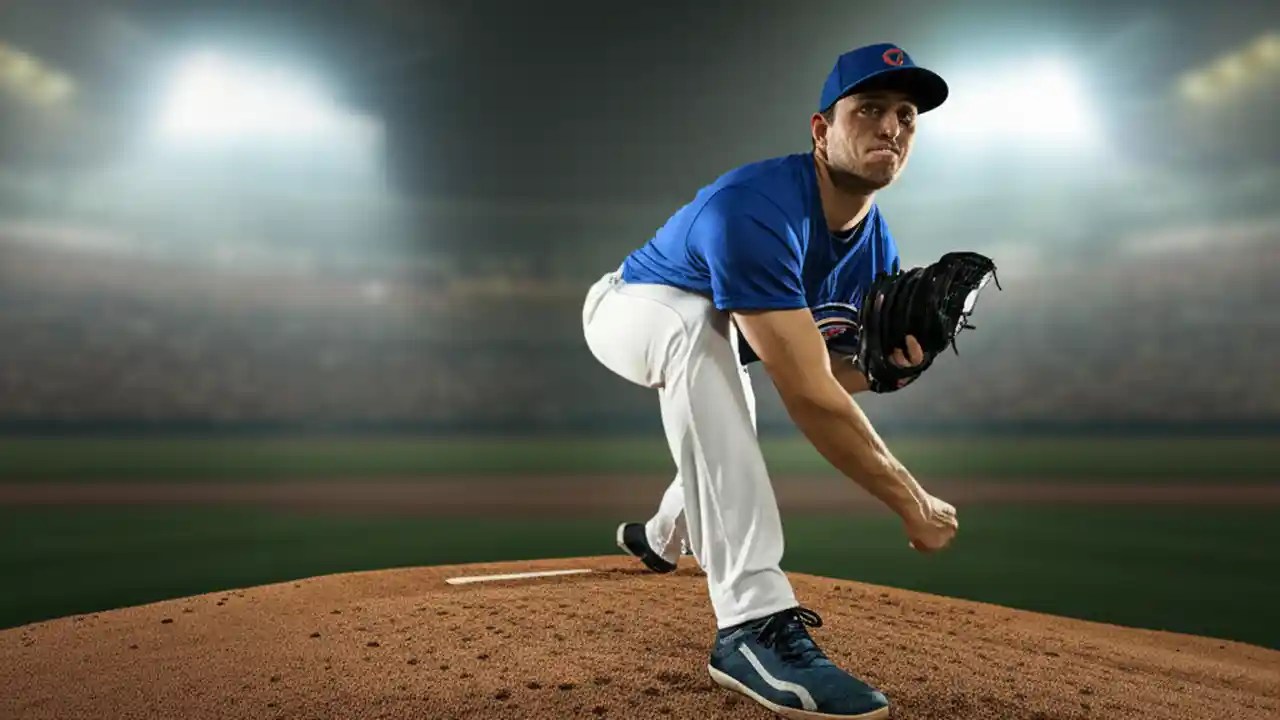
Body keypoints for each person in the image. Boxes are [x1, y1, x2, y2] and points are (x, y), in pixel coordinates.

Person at [581, 43, 959, 719]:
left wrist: (891, 369)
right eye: (869, 108)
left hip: (718, 341)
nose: (891, 126)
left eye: (906, 115)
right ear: (821, 130)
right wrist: (912, 501)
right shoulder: (755, 209)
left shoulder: (877, 248)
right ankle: (751, 624)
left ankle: (661, 537)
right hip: (629, 308)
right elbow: (809, 396)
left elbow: (836, 377)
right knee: (694, 332)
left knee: (722, 380)